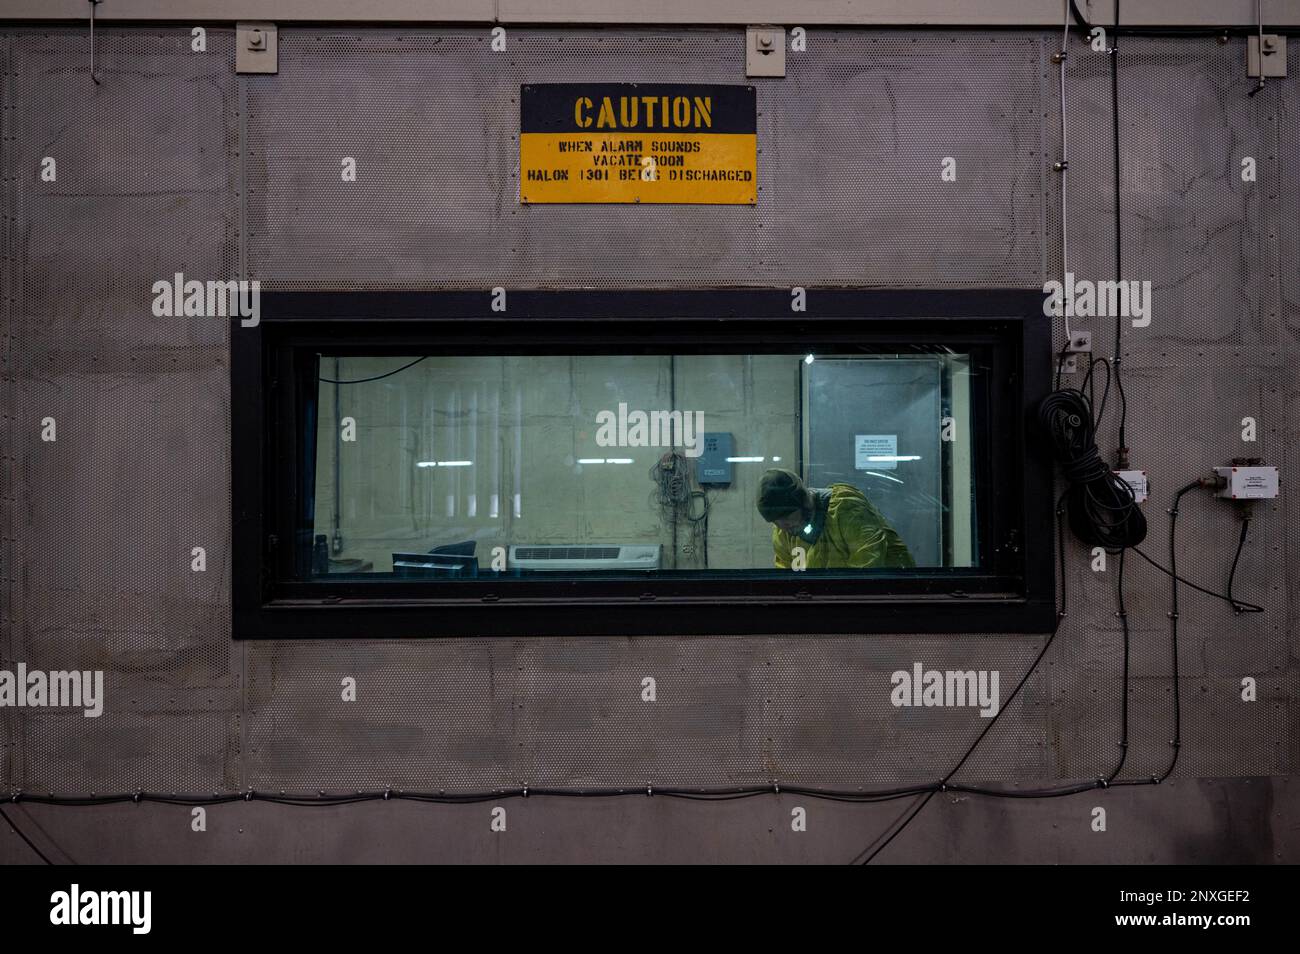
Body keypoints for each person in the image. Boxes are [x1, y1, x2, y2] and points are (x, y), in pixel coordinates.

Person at [756, 468, 915, 569]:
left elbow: (868, 564)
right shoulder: (784, 531)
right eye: (775, 520)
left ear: (804, 503)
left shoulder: (846, 509)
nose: (783, 525)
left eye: (787, 516)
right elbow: (786, 576)